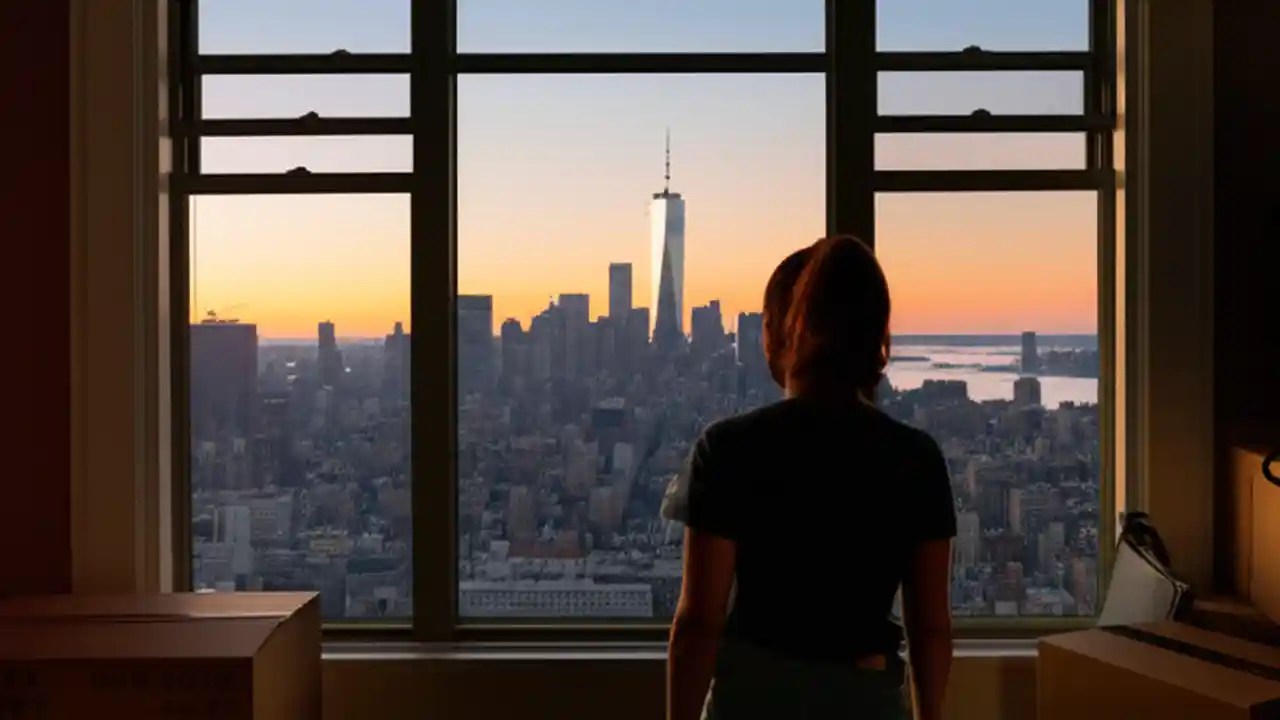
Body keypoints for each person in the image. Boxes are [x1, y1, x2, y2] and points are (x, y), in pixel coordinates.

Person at [666, 235, 956, 720]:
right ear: (876, 336)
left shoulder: (729, 449)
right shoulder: (914, 458)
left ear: (782, 332)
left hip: (752, 702)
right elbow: (930, 628)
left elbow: (698, 622)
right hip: (866, 703)